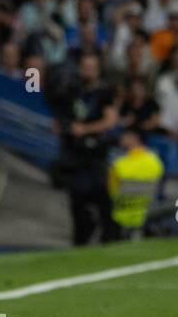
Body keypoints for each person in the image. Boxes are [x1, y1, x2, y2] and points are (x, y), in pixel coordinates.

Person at [54, 51, 119, 244]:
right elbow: (59, 121)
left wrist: (85, 129)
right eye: (85, 67)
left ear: (98, 71)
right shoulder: (71, 92)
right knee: (77, 198)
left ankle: (109, 235)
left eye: (92, 68)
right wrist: (66, 128)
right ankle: (81, 237)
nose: (88, 71)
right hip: (74, 153)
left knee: (101, 194)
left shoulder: (104, 93)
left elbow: (110, 121)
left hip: (97, 152)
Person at [108, 127, 165, 235]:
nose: (121, 139)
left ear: (134, 138)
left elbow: (111, 192)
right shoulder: (155, 161)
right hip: (148, 207)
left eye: (124, 136)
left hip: (121, 209)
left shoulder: (118, 165)